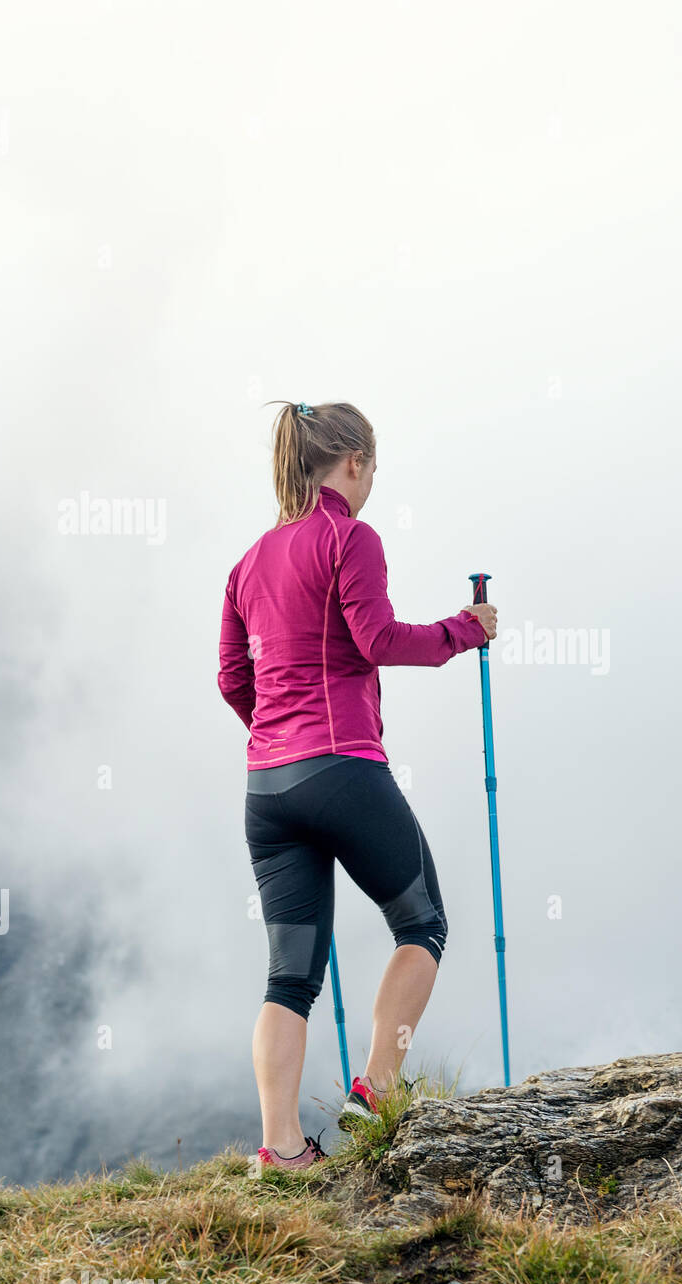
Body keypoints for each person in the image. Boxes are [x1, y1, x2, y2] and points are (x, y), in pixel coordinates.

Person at [217, 401, 496, 1169]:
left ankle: (281, 1153)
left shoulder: (247, 563)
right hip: (342, 769)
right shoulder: (351, 536)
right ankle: (375, 1091)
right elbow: (376, 638)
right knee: (423, 925)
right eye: (374, 467)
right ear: (354, 464)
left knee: (289, 976)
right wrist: (463, 630)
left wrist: (276, 736)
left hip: (267, 790)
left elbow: (231, 678)